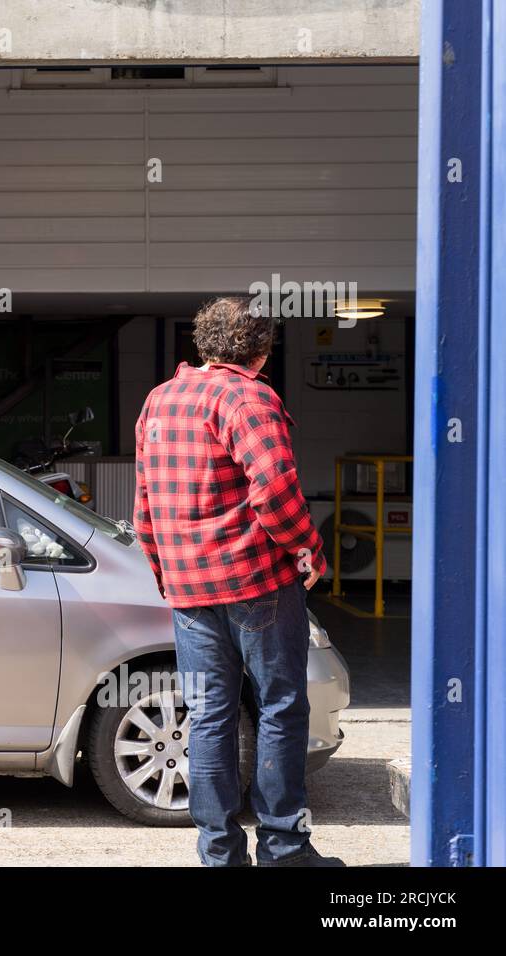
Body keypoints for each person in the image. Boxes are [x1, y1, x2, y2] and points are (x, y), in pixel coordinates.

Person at [133, 296, 344, 868]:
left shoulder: (159, 401)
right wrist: (309, 547)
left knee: (209, 715)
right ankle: (284, 847)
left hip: (188, 589)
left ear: (202, 345)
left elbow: (145, 509)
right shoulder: (249, 397)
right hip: (257, 583)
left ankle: (219, 854)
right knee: (280, 707)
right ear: (262, 349)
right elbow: (275, 490)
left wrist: (166, 574)